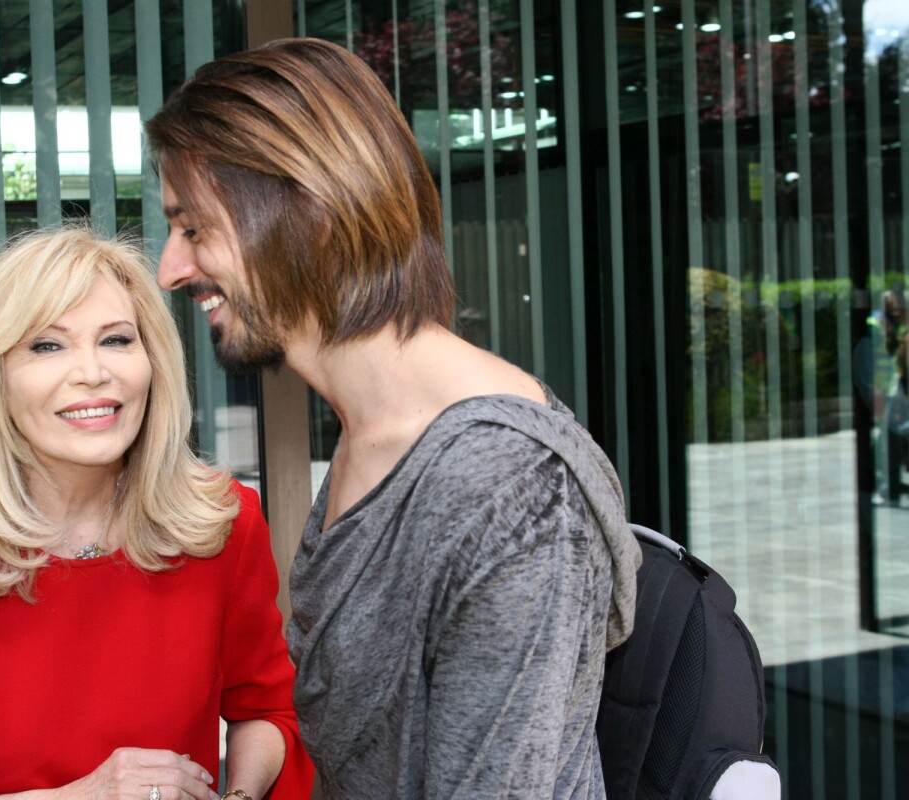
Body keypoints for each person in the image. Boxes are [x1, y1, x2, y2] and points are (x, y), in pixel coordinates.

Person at [146, 37, 642, 798]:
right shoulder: (370, 439)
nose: (170, 269)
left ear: (307, 210)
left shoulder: (505, 485)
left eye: (196, 229)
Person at [0, 228, 313, 800]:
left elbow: (269, 711)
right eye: (47, 346)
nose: (92, 372)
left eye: (117, 340)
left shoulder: (221, 523)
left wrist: (240, 797)